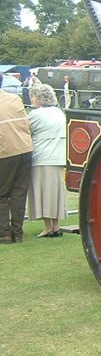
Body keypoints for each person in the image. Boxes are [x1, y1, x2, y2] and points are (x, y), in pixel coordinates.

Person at [27, 84, 68, 238]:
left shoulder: (35, 114)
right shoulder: (59, 112)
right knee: (55, 192)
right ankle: (56, 226)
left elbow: (26, 130)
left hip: (41, 157)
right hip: (58, 157)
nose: (32, 99)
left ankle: (47, 227)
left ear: (39, 98)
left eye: (33, 96)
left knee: (42, 192)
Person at [0, 89, 33, 243]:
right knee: (19, 194)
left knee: (2, 195)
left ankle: (4, 234)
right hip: (25, 149)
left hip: (5, 152)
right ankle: (17, 233)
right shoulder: (14, 98)